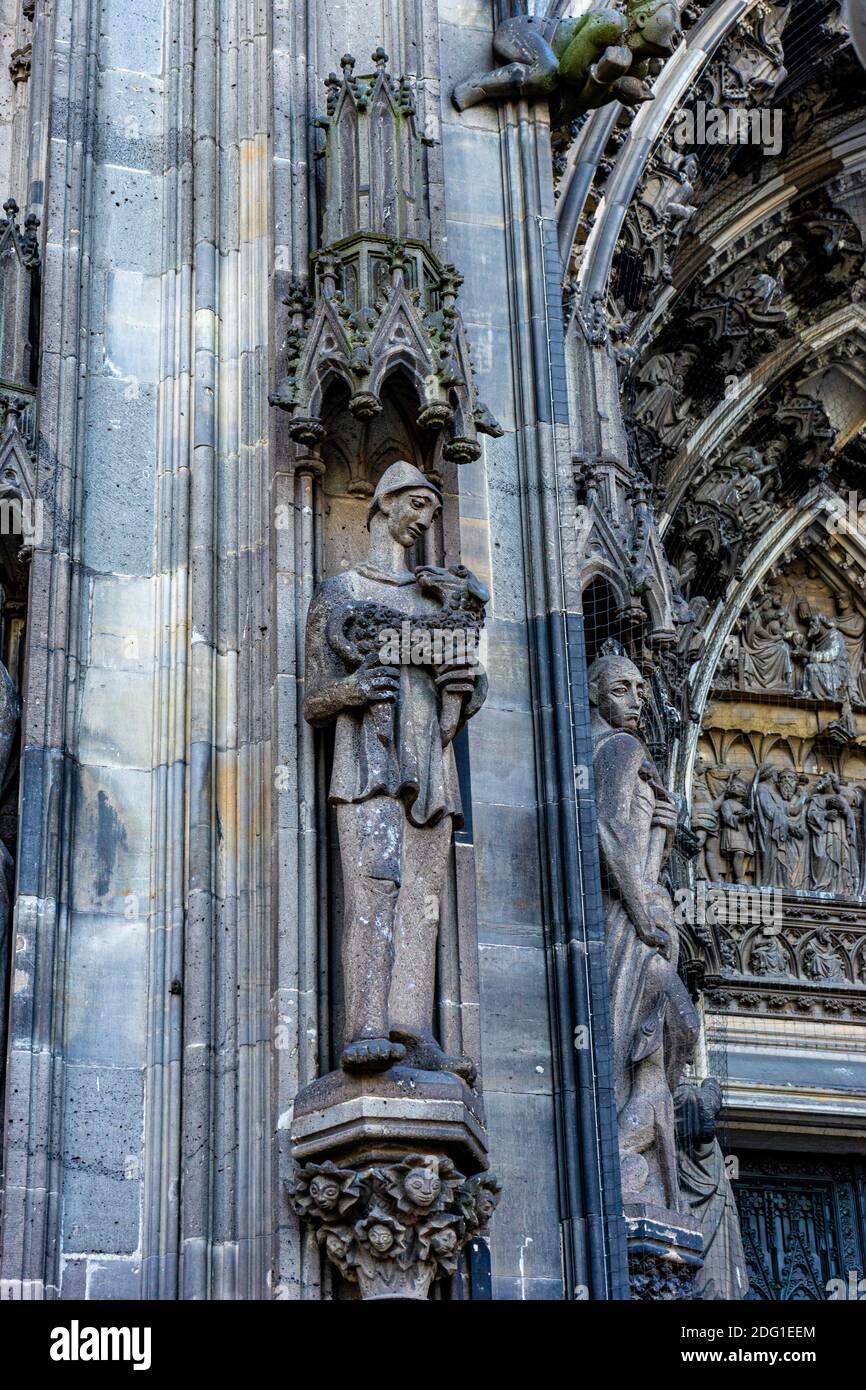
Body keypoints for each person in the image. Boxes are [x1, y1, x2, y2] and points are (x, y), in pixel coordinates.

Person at [304, 461, 488, 1077]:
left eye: (432, 513)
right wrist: (353, 688)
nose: (422, 522)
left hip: (431, 760)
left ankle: (412, 1028)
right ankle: (364, 1026)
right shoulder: (343, 592)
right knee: (374, 887)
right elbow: (313, 698)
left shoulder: (434, 601)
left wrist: (466, 682)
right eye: (416, 507)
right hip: (368, 762)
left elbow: (469, 684)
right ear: (385, 503)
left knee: (424, 899)